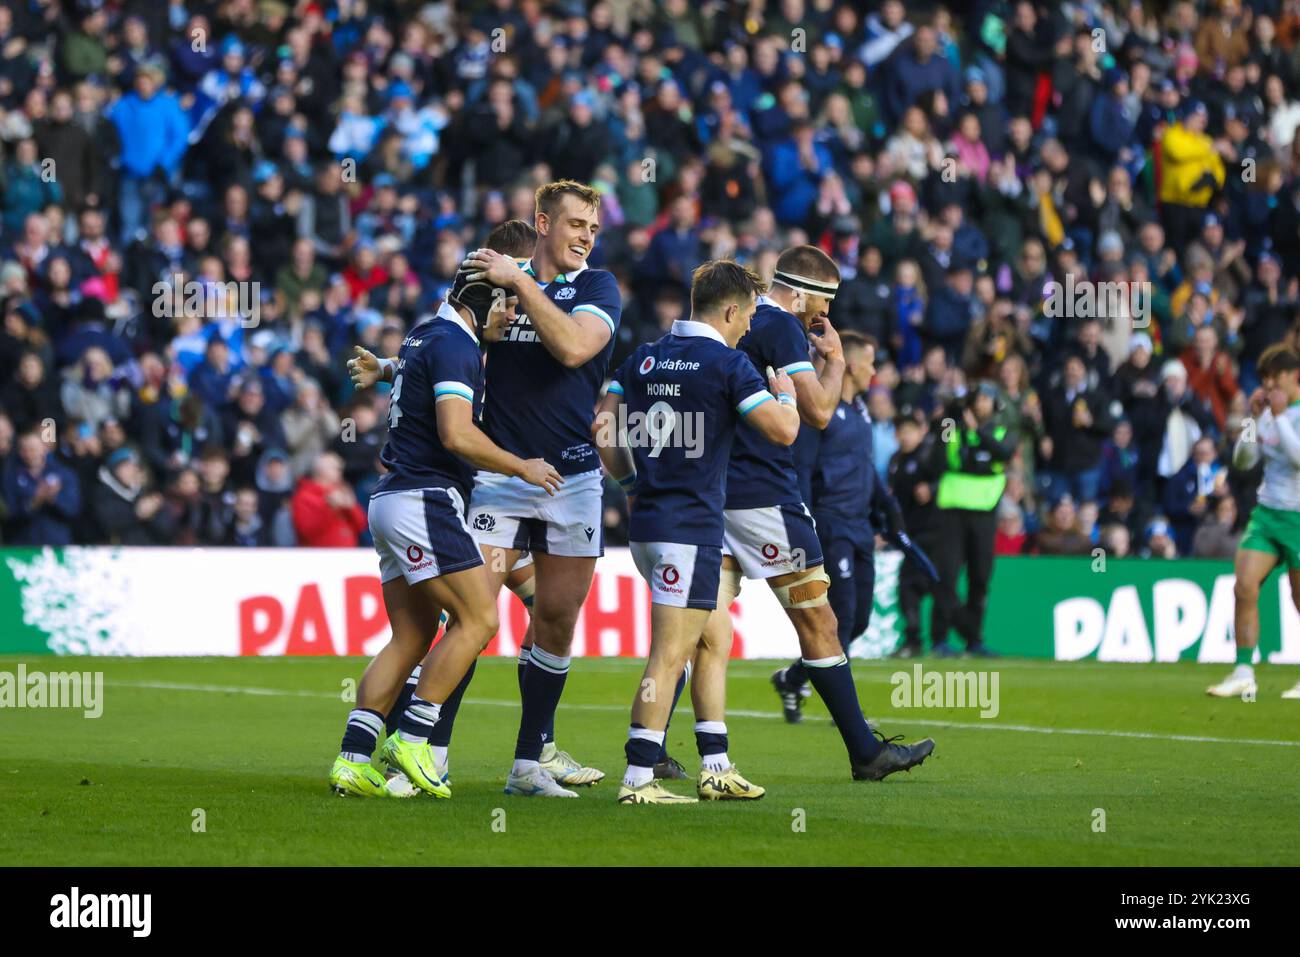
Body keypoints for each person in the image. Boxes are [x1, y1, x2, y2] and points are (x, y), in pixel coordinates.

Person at [348, 219, 600, 790]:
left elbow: (426, 362)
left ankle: (356, 755)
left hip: (400, 498)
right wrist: (521, 465)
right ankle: (418, 746)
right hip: (442, 496)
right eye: (509, 296)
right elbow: (459, 433)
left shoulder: (431, 335)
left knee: (421, 634)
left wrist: (387, 368)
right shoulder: (462, 341)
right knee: (476, 620)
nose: (514, 313)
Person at [696, 243, 934, 779]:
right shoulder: (780, 325)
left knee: (698, 630)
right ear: (799, 292)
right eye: (824, 300)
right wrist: (837, 361)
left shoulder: (738, 319)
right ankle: (865, 753)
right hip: (764, 499)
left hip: (712, 493)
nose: (826, 314)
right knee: (820, 624)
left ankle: (651, 752)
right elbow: (821, 412)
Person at [594, 259, 799, 803]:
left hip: (650, 524)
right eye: (749, 314)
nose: (751, 326)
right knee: (669, 652)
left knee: (715, 636)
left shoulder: (641, 357)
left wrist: (633, 484)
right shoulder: (728, 365)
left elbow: (604, 432)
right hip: (690, 529)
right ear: (730, 310)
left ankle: (716, 764)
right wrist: (788, 395)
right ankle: (638, 779)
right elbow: (783, 431)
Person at [1208, 344, 1300, 700]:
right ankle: (1244, 672)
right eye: (1265, 381)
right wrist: (1252, 420)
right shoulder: (1268, 413)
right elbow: (1244, 461)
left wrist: (1276, 417)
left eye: (1274, 380)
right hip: (1268, 513)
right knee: (1244, 586)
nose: (1269, 388)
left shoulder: (1290, 414)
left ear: (1294, 378)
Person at [930, 381, 1017, 656]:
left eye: (985, 399)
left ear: (995, 405)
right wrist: (948, 419)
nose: (980, 403)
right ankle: (940, 638)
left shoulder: (1004, 431)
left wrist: (976, 431)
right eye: (977, 398)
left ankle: (974, 638)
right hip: (952, 511)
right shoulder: (951, 428)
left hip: (984, 513)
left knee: (980, 577)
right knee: (947, 576)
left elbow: (1004, 453)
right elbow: (937, 459)